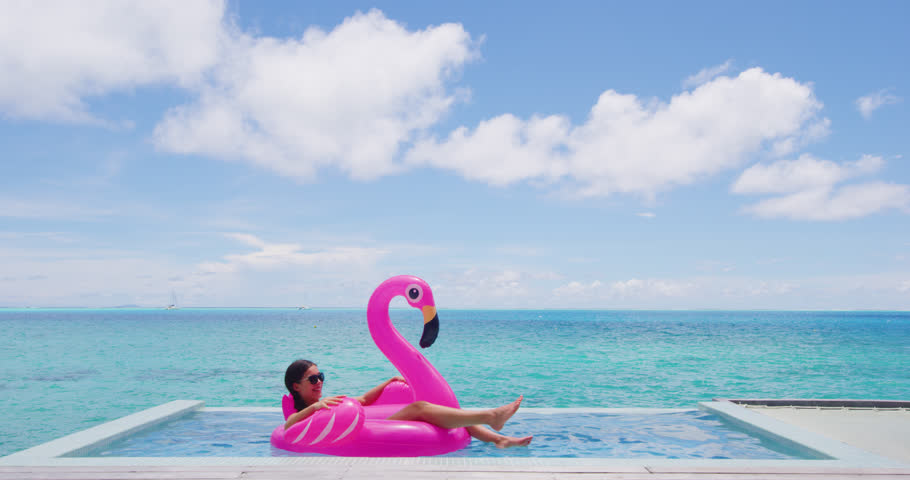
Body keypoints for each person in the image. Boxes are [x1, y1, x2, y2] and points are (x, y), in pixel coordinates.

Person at [284, 359, 533, 449]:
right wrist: (315, 408)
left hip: (371, 424)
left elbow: (361, 401)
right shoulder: (301, 410)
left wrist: (388, 381)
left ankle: (497, 438)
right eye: (313, 379)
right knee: (421, 408)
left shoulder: (328, 399)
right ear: (296, 386)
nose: (319, 382)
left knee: (448, 410)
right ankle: (492, 416)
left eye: (321, 377)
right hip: (367, 433)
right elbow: (288, 427)